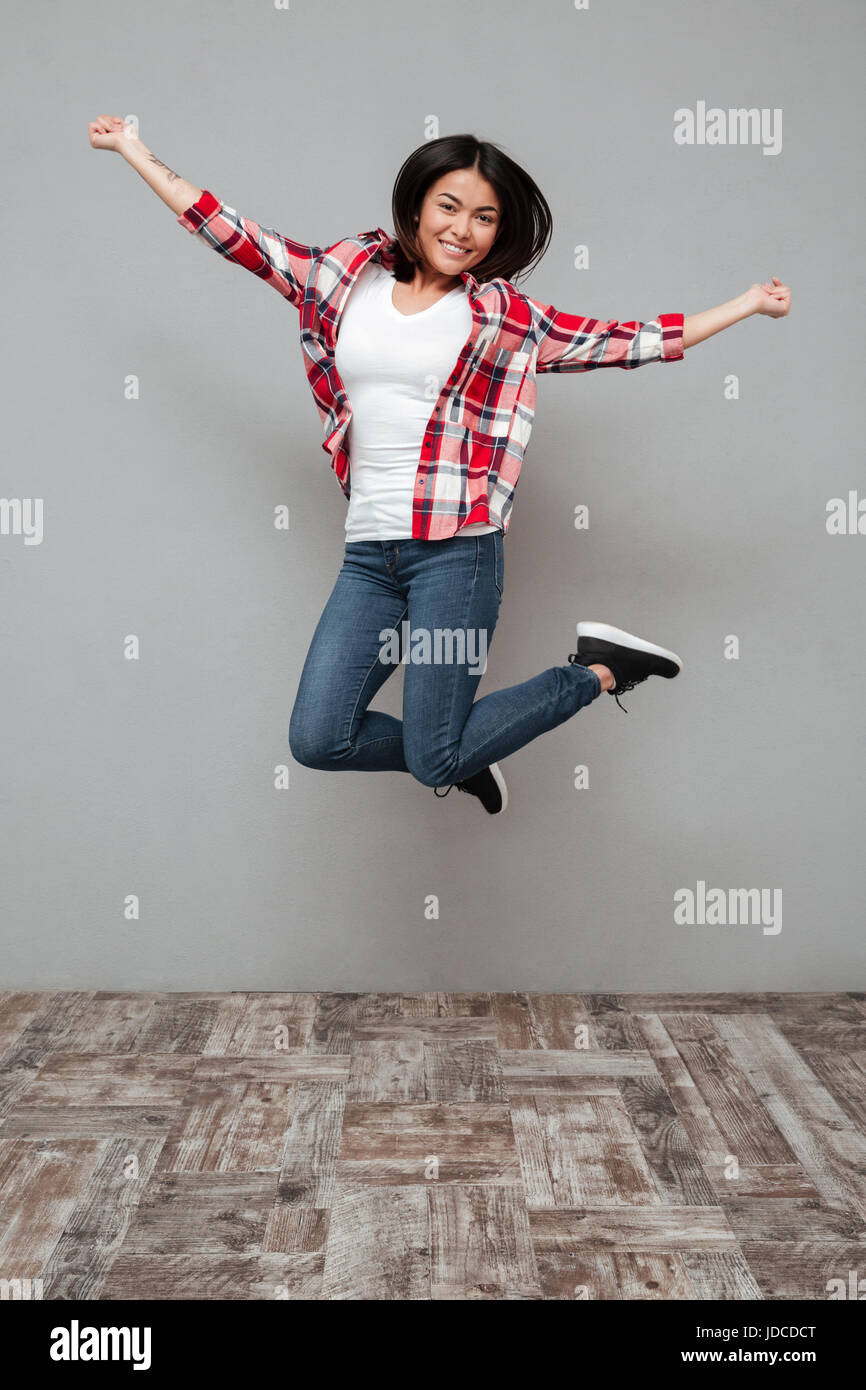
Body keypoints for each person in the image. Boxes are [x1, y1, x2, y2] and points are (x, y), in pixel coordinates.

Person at [88, 118, 792, 814]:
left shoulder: (503, 315)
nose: (463, 229)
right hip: (369, 555)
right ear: (418, 207)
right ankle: (463, 751)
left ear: (498, 232)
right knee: (318, 738)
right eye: (449, 207)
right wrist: (132, 149)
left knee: (435, 757)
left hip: (457, 555)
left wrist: (748, 304)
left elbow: (625, 341)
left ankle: (601, 671)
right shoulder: (339, 277)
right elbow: (230, 231)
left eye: (484, 217)